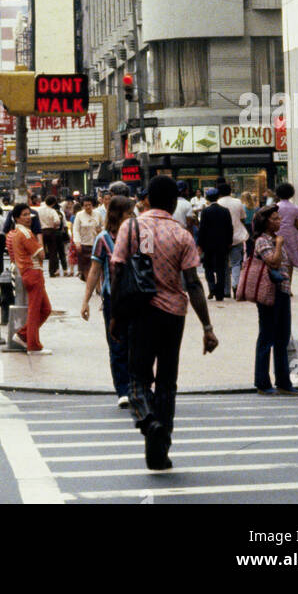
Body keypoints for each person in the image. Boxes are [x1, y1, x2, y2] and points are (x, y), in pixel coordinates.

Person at [111, 175, 218, 470]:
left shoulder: (131, 227)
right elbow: (193, 284)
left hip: (140, 312)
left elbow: (117, 269)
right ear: (174, 201)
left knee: (137, 378)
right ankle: (160, 452)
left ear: (146, 199)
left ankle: (147, 419)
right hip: (173, 316)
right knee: (168, 383)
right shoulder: (182, 234)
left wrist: (115, 315)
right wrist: (207, 328)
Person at [81, 195, 134, 408]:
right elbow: (94, 271)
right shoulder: (103, 239)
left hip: (137, 298)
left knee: (137, 344)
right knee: (117, 345)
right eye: (128, 214)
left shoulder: (138, 235)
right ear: (117, 215)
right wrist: (85, 301)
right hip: (113, 300)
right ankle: (123, 389)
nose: (132, 217)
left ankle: (137, 386)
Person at [250, 204, 298, 394]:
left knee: (282, 338)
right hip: (269, 294)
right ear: (265, 222)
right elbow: (274, 262)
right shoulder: (263, 241)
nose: (279, 221)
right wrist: (278, 244)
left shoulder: (274, 238)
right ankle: (262, 382)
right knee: (267, 337)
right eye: (275, 218)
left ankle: (284, 382)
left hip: (282, 292)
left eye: (279, 218)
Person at [6, 204, 52, 355]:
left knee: (45, 309)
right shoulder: (25, 233)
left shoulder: (17, 233)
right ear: (17, 218)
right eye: (24, 215)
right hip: (33, 273)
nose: (28, 218)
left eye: (29, 215)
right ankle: (33, 345)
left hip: (29, 273)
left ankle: (23, 335)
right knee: (35, 310)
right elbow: (41, 254)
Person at [196, 186, 233, 302]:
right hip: (222, 244)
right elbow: (229, 228)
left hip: (208, 245)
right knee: (221, 268)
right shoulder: (225, 211)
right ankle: (220, 293)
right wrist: (229, 242)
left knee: (208, 267)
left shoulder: (205, 212)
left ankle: (212, 288)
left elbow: (202, 229)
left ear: (207, 198)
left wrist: (200, 244)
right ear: (218, 197)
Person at [275, 182, 298, 293]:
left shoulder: (276, 207)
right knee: (289, 263)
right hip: (291, 234)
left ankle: (279, 286)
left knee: (278, 260)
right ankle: (288, 287)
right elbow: (297, 224)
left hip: (278, 234)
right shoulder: (295, 208)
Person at [217, 181, 249, 294]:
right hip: (237, 236)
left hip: (221, 238)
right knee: (236, 263)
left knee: (224, 264)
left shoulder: (217, 203)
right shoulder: (238, 202)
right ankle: (236, 285)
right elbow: (243, 218)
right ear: (230, 191)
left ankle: (226, 290)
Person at [72, 196, 99, 281]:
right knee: (86, 267)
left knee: (96, 266)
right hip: (83, 244)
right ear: (83, 206)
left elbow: (102, 226)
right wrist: (77, 242)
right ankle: (88, 283)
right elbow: (75, 229)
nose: (88, 207)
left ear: (93, 205)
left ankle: (98, 287)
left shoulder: (97, 214)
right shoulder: (79, 215)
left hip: (96, 244)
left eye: (89, 205)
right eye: (85, 205)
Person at [39, 195, 65, 278]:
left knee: (40, 251)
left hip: (42, 232)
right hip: (51, 231)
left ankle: (39, 270)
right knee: (52, 252)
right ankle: (52, 271)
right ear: (53, 203)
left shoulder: (39, 210)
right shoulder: (52, 211)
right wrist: (54, 226)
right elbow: (57, 221)